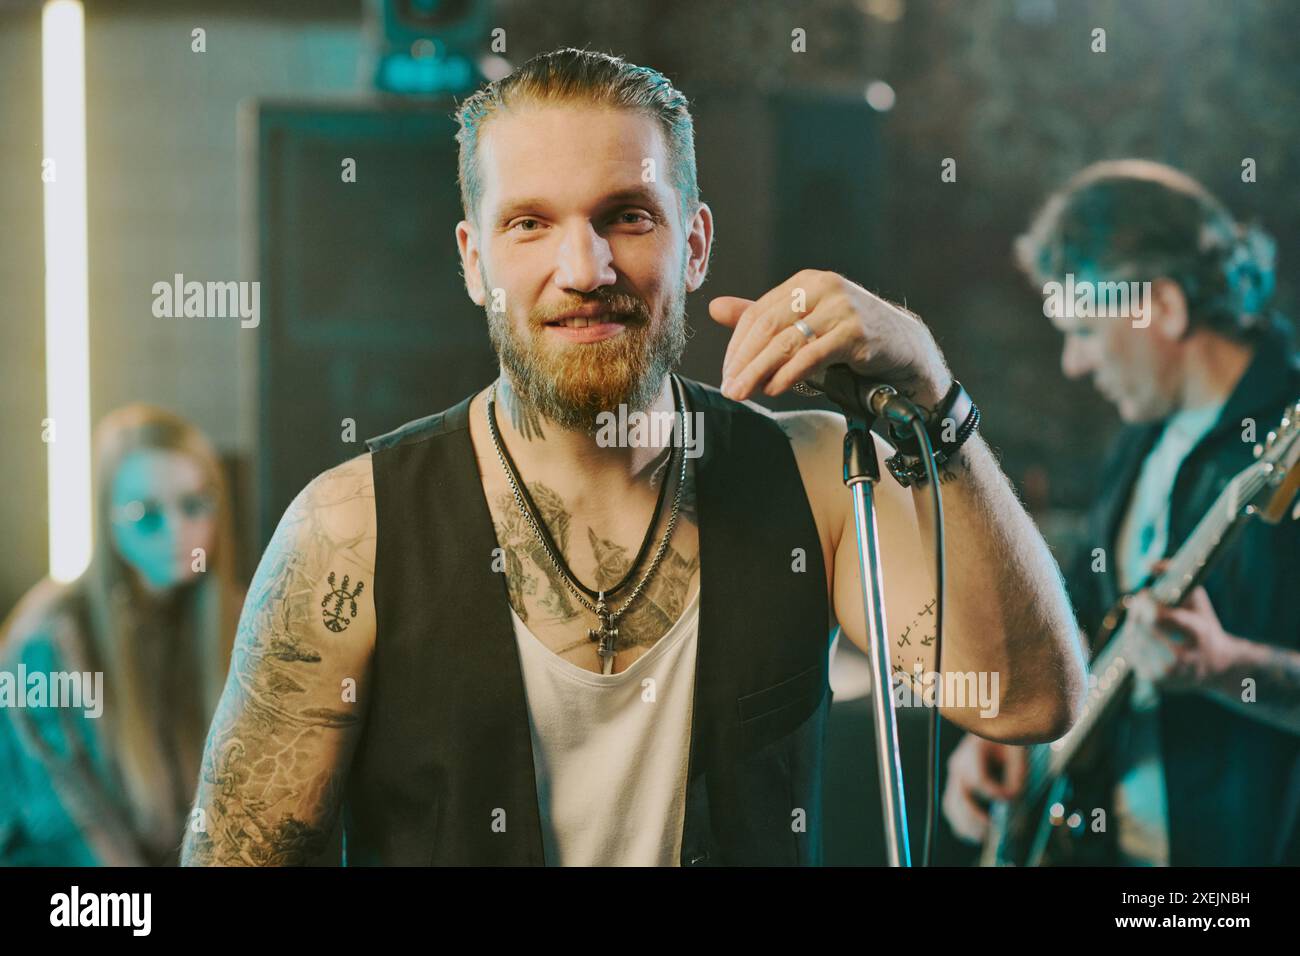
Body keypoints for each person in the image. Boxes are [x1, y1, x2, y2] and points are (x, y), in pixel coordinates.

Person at [182, 47, 1086, 868]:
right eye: (530, 224)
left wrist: (934, 394)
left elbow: (1030, 701)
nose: (584, 267)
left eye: (626, 216)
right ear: (473, 261)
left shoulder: (810, 477)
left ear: (692, 245)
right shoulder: (353, 526)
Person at [943, 159, 1300, 866]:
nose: (1074, 363)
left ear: (1162, 307)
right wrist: (1010, 730)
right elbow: (1078, 619)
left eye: (1084, 330)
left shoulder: (1281, 443)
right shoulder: (1141, 439)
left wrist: (1229, 665)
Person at [0, 404, 241, 865]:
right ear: (105, 519)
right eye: (145, 512)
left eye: (194, 504)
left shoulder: (245, 621)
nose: (176, 531)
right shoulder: (47, 644)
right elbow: (67, 830)